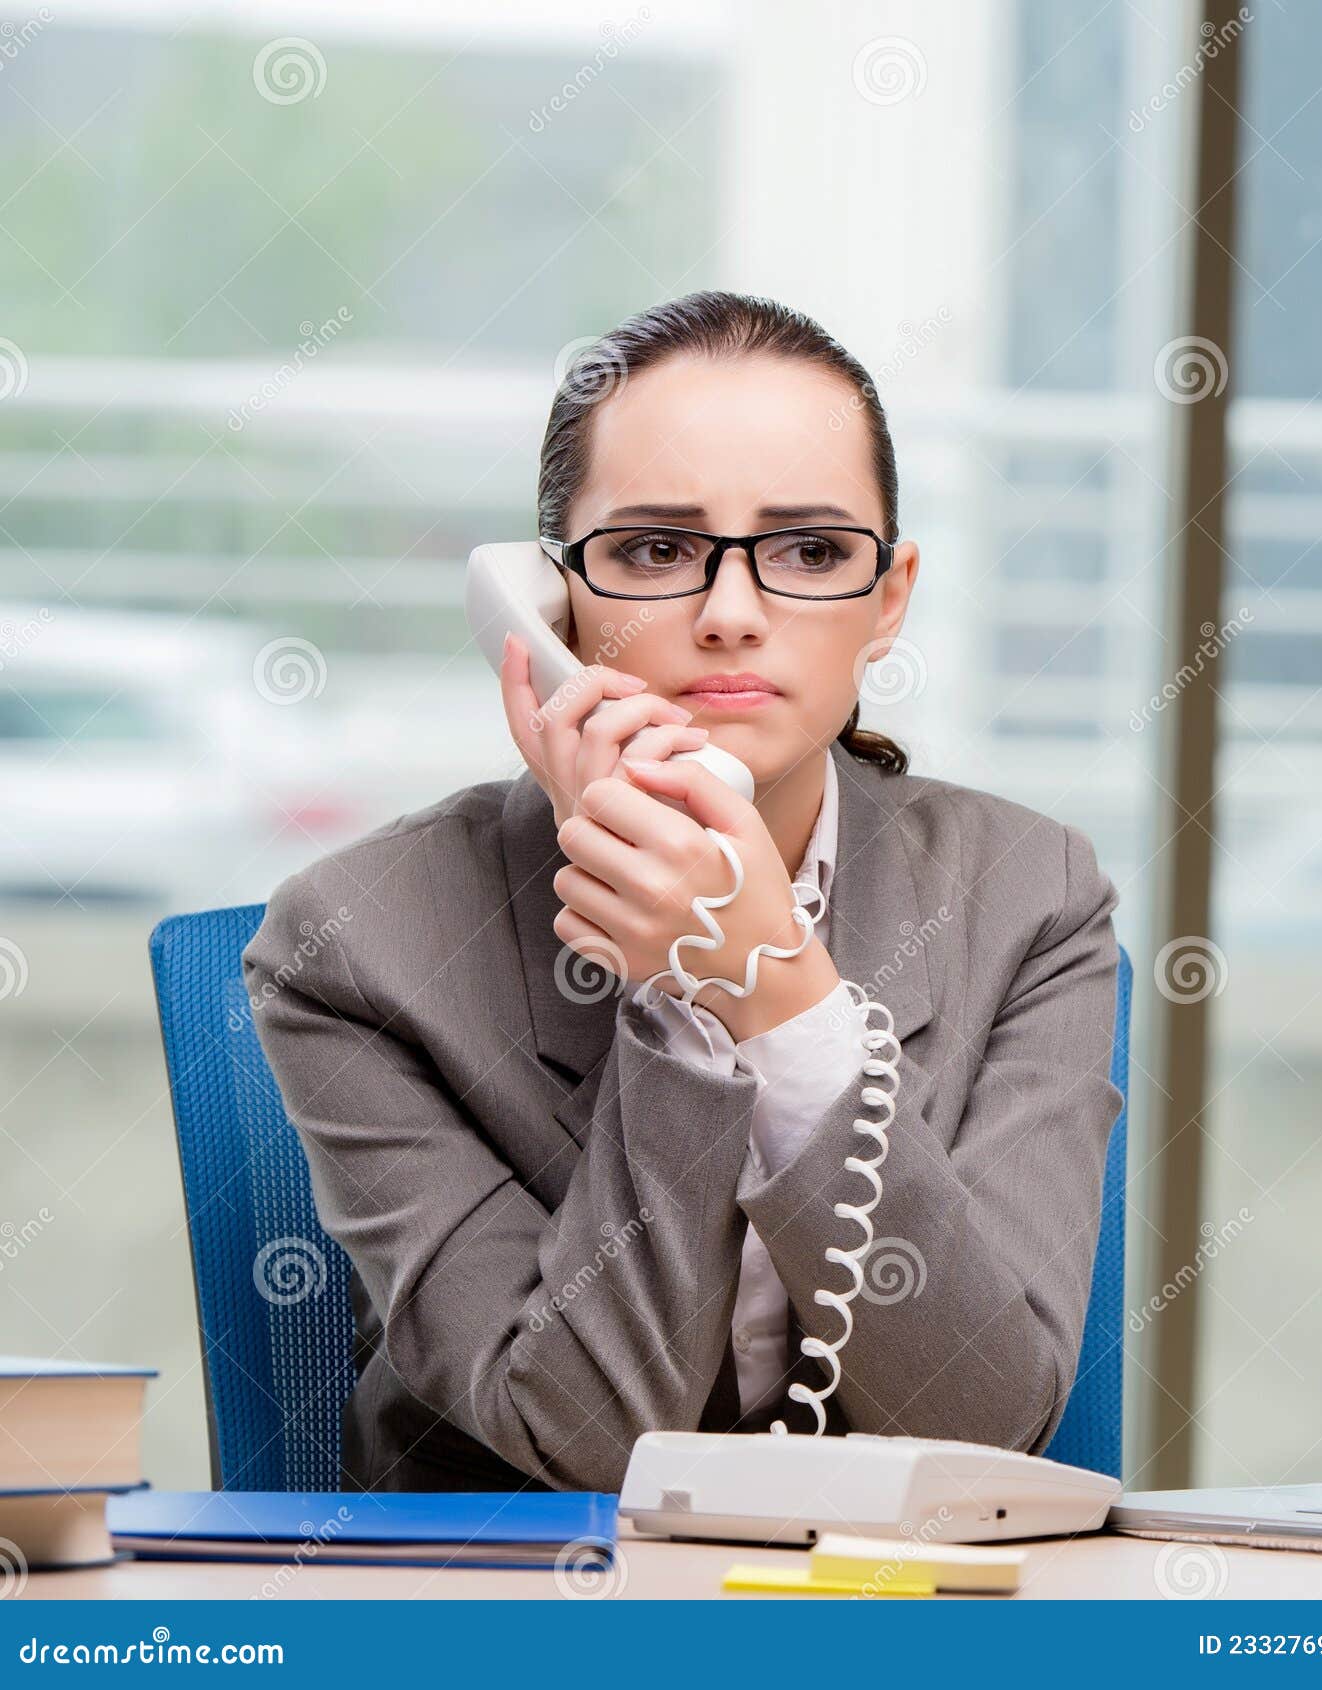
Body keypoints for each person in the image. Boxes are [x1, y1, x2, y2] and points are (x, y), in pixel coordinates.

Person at [242, 289, 1124, 1495]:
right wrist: (675, 995)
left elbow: (983, 1423)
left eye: (810, 551)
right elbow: (583, 1442)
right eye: (656, 549)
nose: (730, 616)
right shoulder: (356, 946)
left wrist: (778, 997)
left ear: (890, 596)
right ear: (548, 601)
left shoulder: (1031, 898)